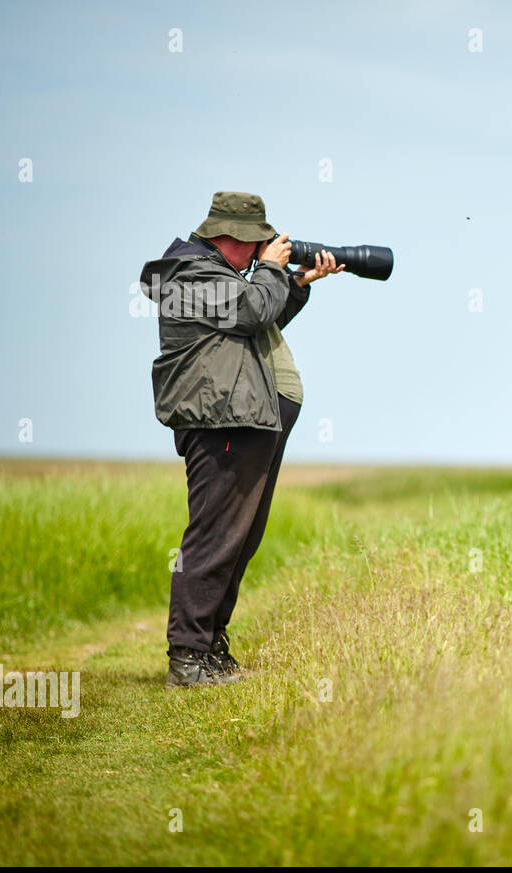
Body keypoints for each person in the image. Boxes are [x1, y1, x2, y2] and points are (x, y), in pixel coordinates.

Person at [139, 191, 343, 687]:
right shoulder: (187, 275)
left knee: (239, 540)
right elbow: (252, 312)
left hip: (245, 417)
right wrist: (273, 272)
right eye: (255, 244)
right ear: (228, 237)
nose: (260, 252)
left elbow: (253, 324)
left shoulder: (221, 279)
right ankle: (188, 657)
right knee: (213, 539)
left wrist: (293, 284)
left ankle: (208, 647)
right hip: (221, 421)